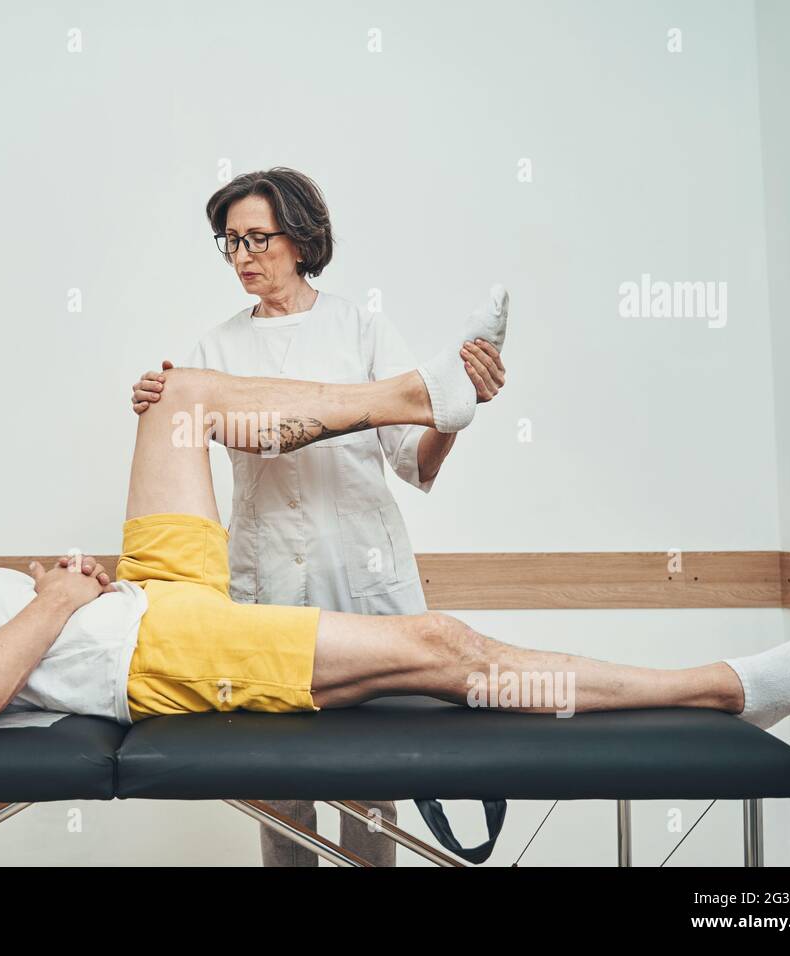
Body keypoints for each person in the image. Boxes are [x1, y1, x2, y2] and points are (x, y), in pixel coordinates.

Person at [0, 327, 790, 791]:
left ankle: (414, 395)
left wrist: (57, 593)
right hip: (152, 645)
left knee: (174, 398)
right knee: (443, 653)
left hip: (141, 605)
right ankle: (736, 683)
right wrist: (55, 596)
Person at [130, 166, 508, 866]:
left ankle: (436, 391)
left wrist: (453, 416)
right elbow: (200, 444)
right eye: (230, 242)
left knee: (374, 776)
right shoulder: (215, 348)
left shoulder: (361, 328)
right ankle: (429, 389)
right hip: (263, 576)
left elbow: (415, 465)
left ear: (300, 239)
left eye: (256, 239)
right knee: (278, 778)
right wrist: (166, 397)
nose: (242, 256)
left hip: (361, 571)